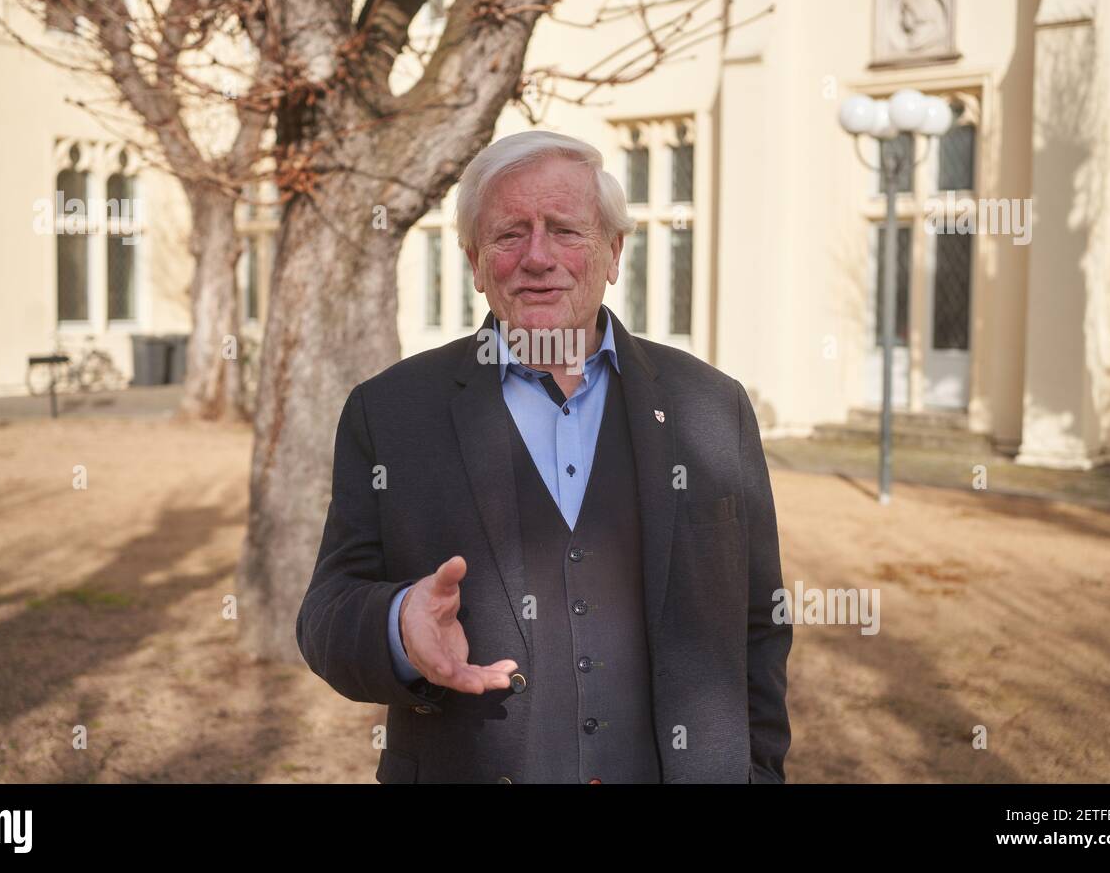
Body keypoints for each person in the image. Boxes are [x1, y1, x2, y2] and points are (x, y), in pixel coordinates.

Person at [296, 129, 792, 783]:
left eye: (565, 230)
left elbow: (760, 626)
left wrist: (757, 774)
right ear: (474, 262)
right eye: (508, 235)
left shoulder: (712, 406)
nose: (537, 257)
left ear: (613, 252)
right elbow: (328, 613)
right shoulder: (390, 413)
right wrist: (397, 624)